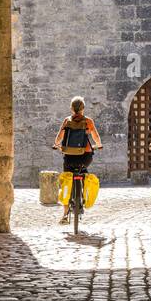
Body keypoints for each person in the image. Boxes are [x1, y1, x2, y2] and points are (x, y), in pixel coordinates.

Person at [53, 96, 102, 225]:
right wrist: (99, 144)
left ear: (71, 108)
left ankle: (64, 214)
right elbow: (95, 136)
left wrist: (56, 144)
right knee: (83, 171)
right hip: (85, 157)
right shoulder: (88, 121)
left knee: (67, 180)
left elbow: (59, 138)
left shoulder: (67, 121)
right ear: (83, 108)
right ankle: (83, 194)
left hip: (69, 157)